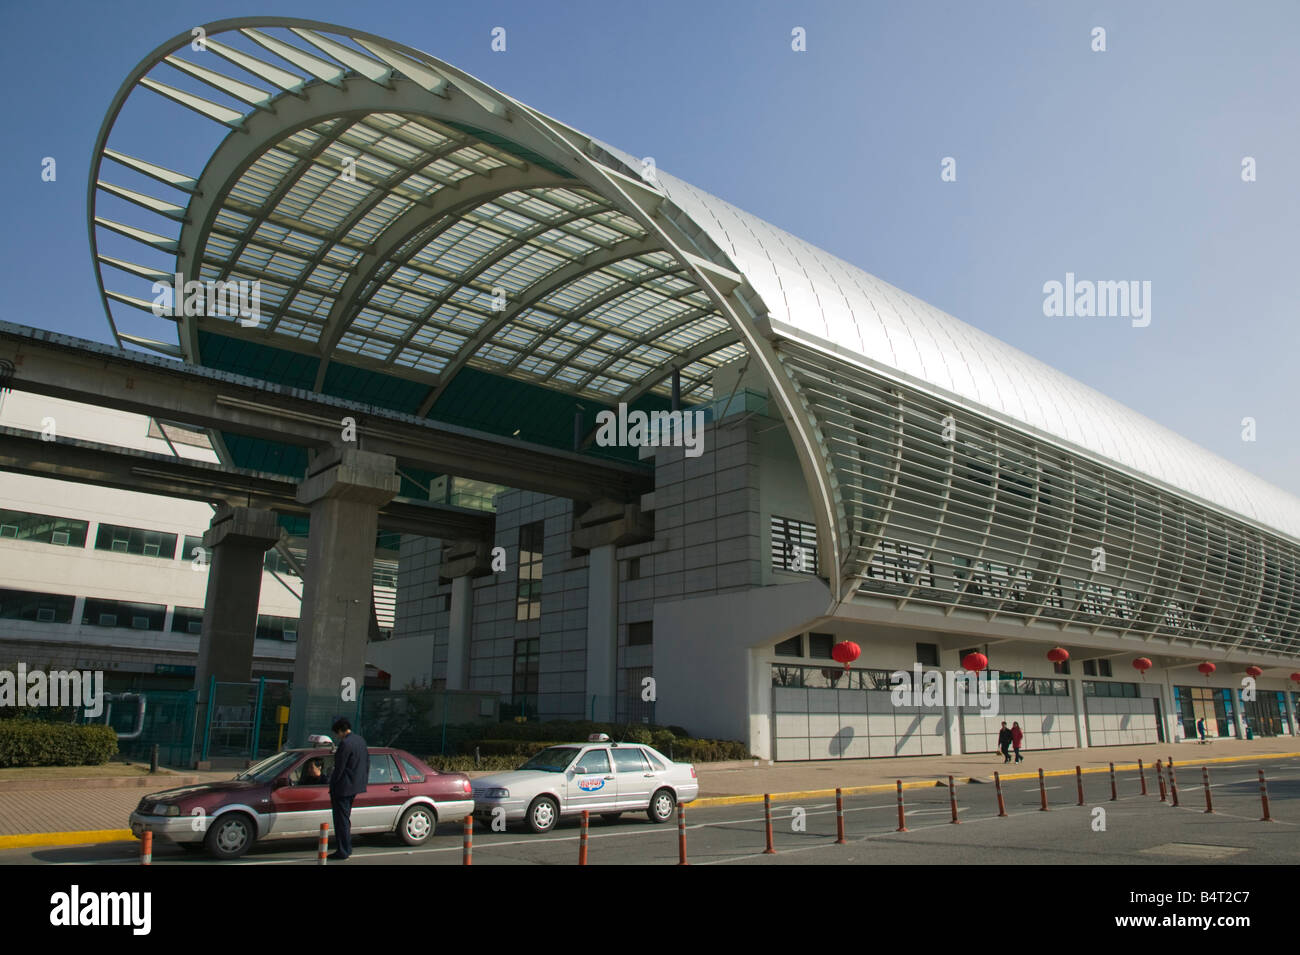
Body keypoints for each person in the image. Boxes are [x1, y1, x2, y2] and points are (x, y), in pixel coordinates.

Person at [327, 717, 369, 860]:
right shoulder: (360, 740)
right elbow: (366, 762)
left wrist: (332, 784)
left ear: (340, 730)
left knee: (341, 821)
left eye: (336, 733)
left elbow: (339, 768)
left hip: (343, 787)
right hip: (356, 786)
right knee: (345, 819)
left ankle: (343, 850)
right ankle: (346, 848)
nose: (337, 737)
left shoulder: (345, 744)